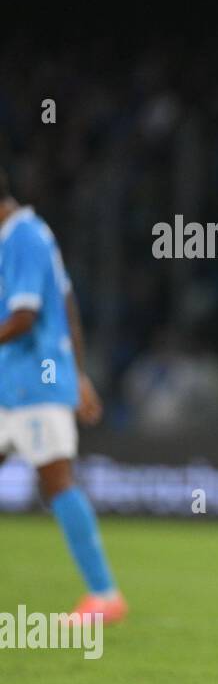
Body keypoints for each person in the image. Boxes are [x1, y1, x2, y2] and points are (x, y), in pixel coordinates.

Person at [0, 168, 124, 625]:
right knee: (55, 481)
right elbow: (67, 304)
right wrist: (80, 373)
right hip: (11, 381)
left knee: (56, 482)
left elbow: (26, 316)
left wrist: (69, 375)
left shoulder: (24, 237)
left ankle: (104, 595)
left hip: (35, 383)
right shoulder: (23, 234)